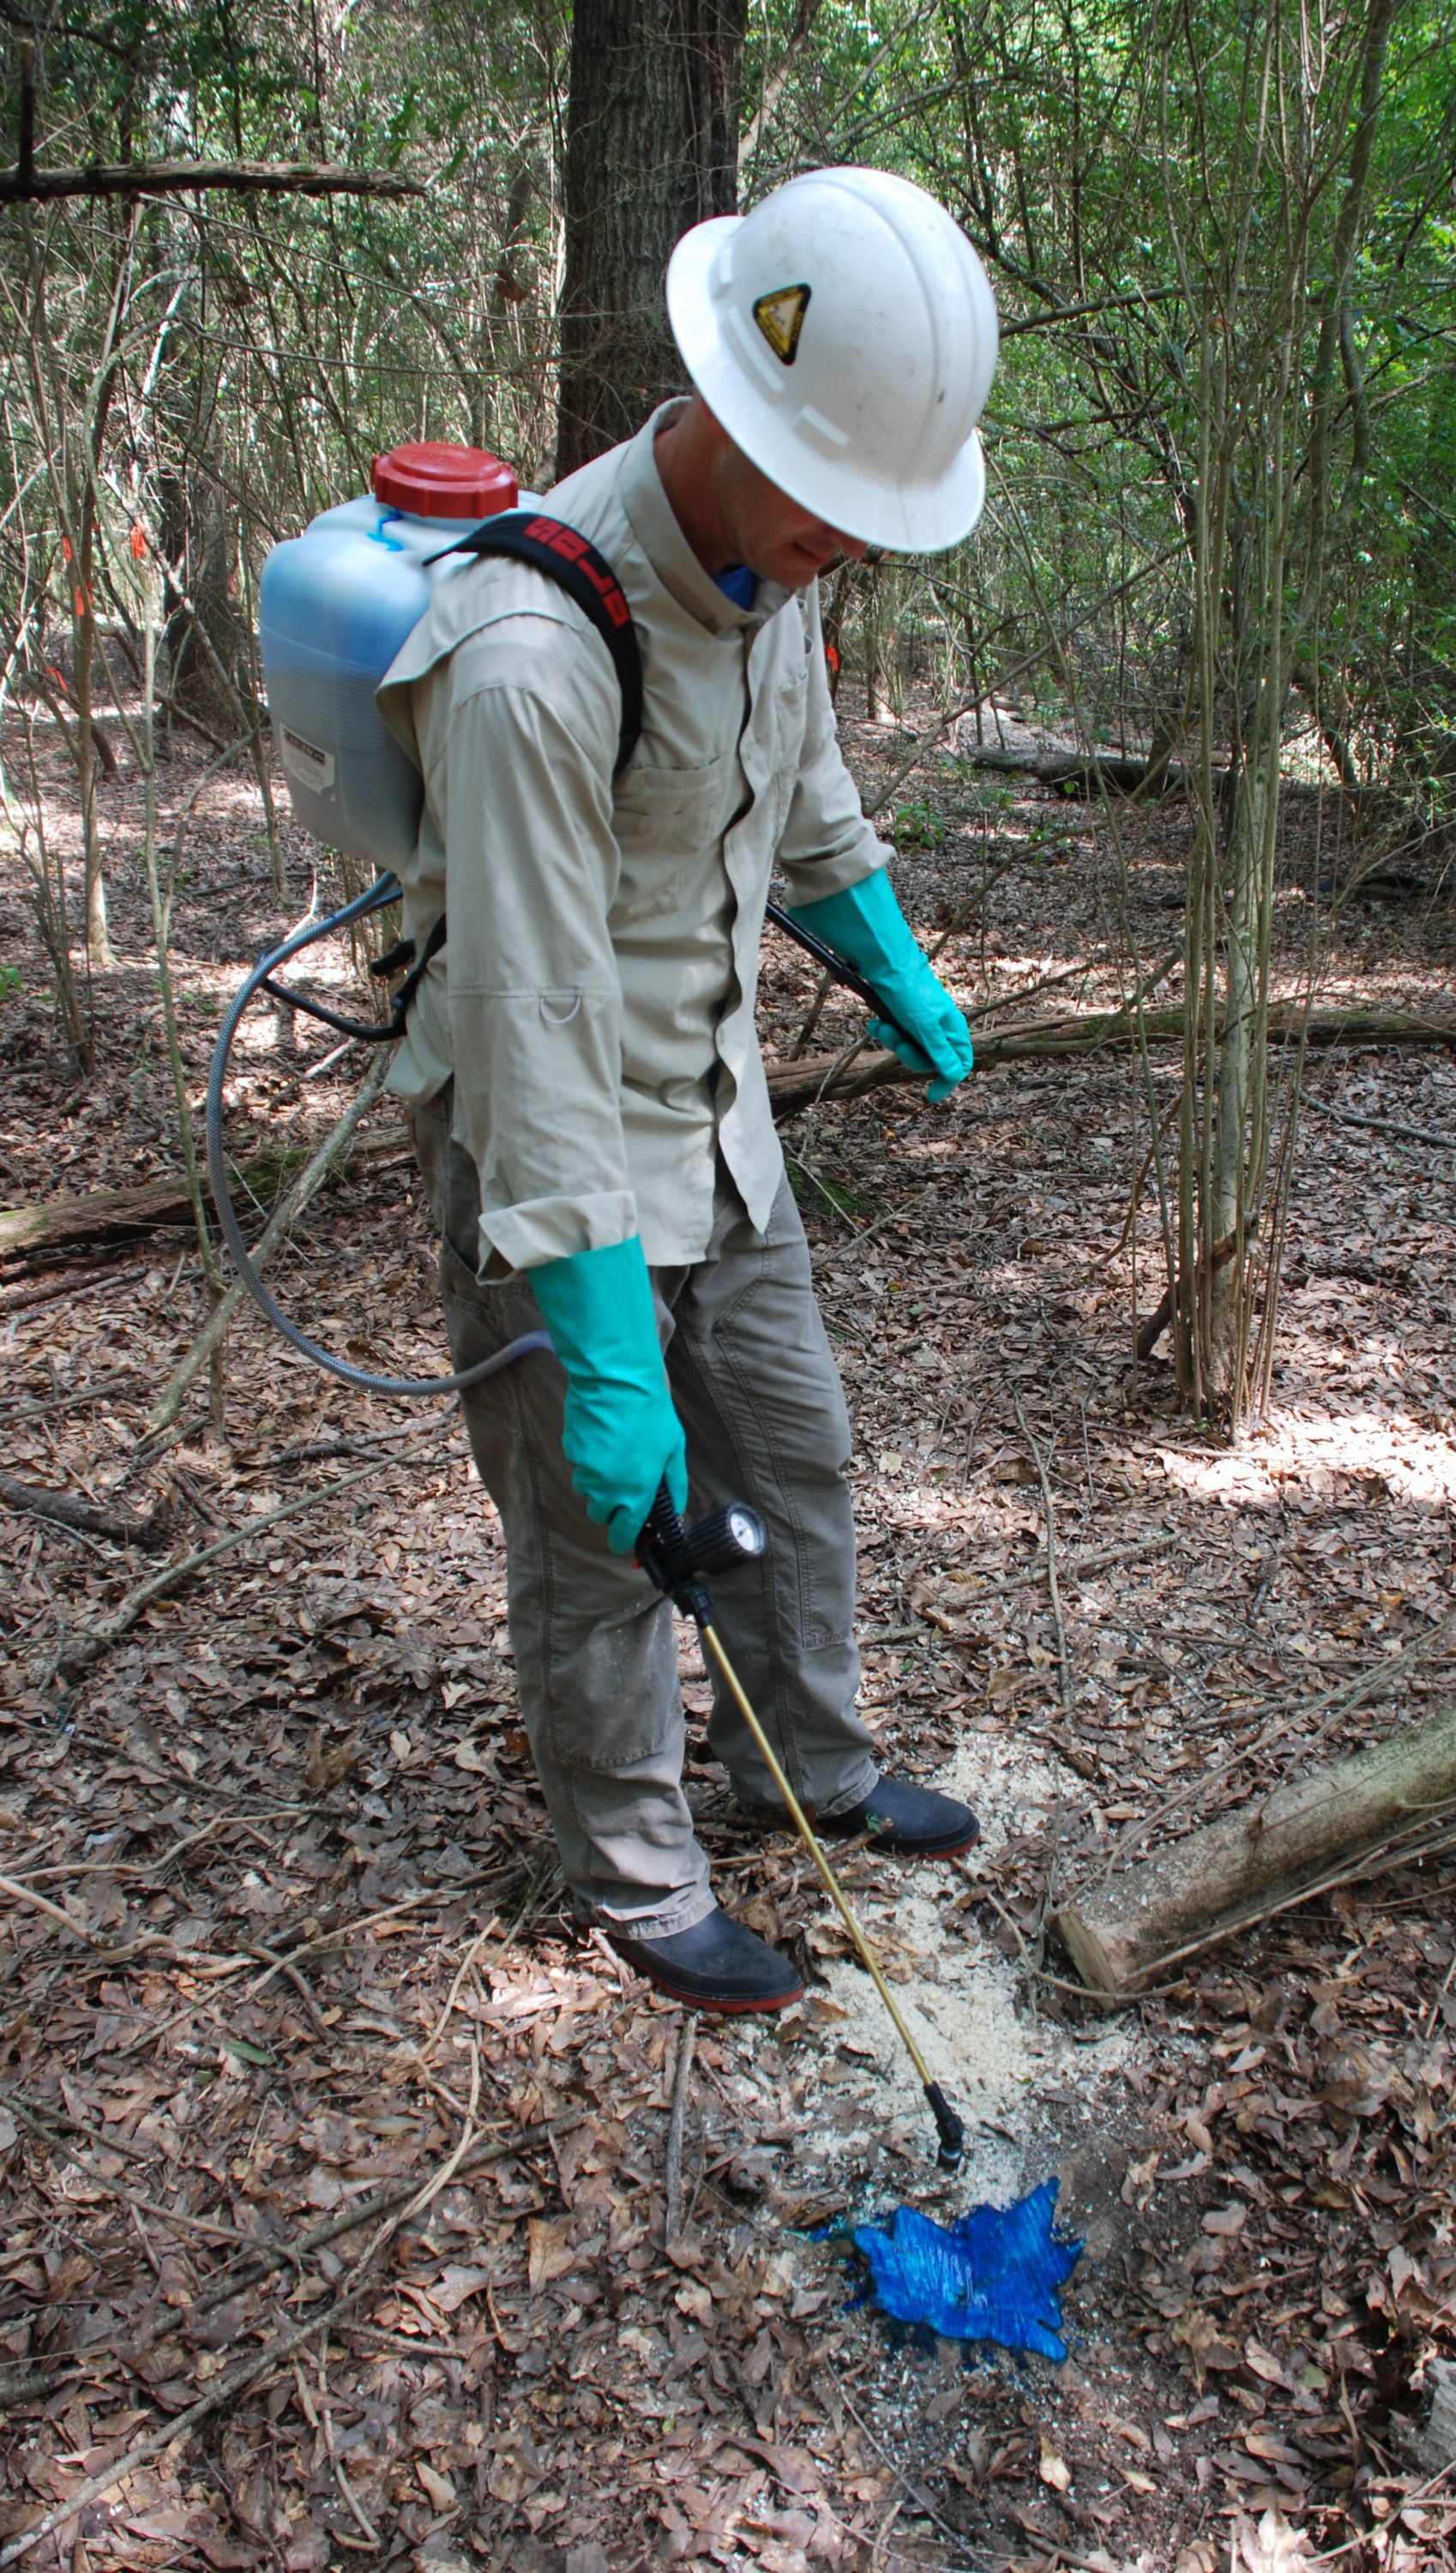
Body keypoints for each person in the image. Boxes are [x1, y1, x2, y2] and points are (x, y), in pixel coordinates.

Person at [377, 166, 998, 2013]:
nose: (854, 555)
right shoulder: (527, 657)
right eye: (836, 514)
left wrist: (885, 958)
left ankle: (809, 1767)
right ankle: (636, 1878)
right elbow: (530, 1018)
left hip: (715, 1123)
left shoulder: (771, 575)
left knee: (791, 1459)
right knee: (605, 1539)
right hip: (548, 1155)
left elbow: (797, 800)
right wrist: (598, 1335)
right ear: (731, 417)